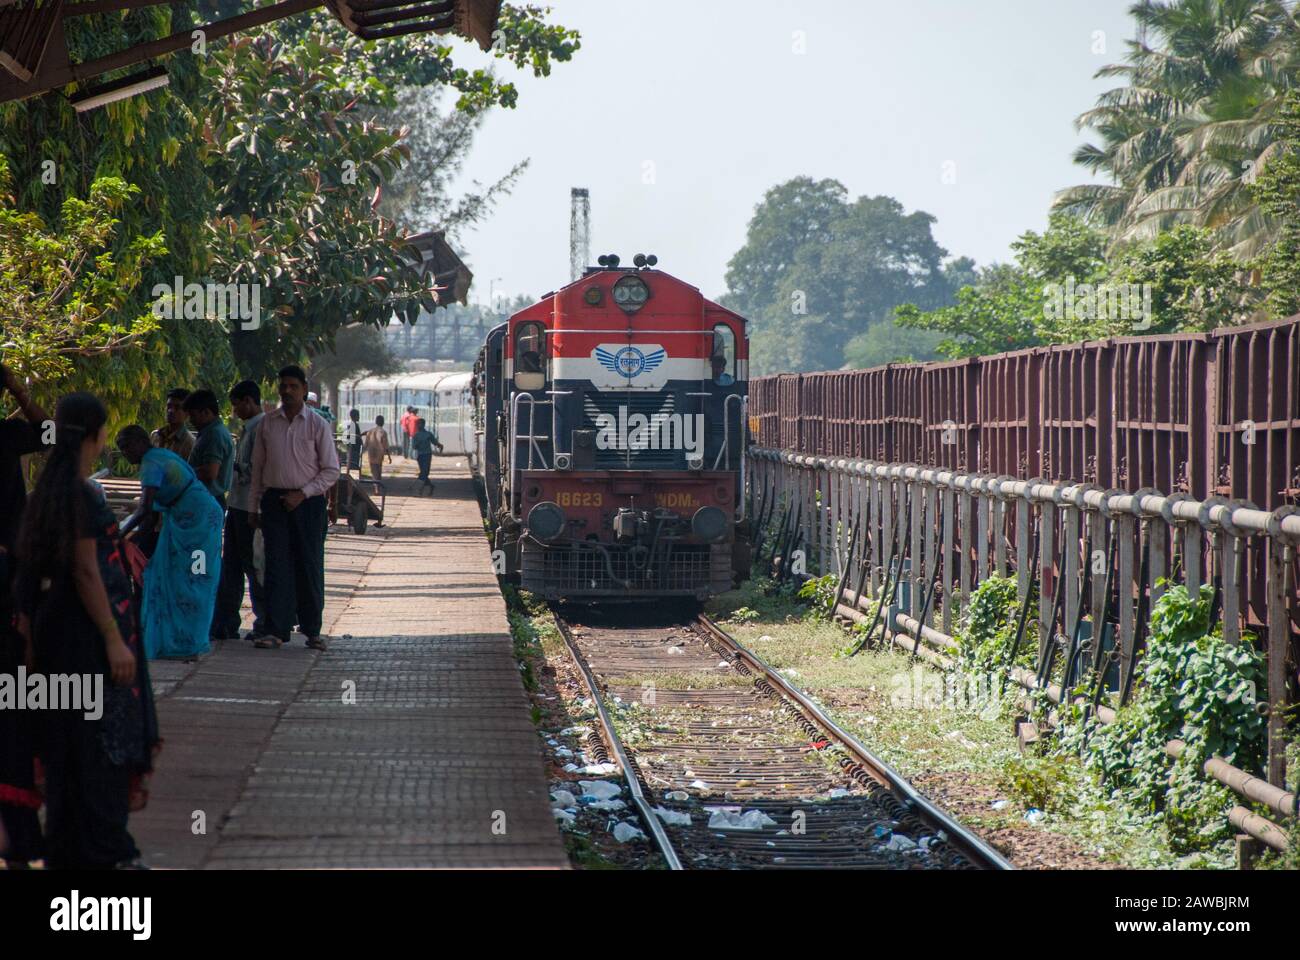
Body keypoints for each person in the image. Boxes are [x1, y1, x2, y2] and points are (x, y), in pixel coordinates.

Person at [15, 393, 159, 869]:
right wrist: (113, 639)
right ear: (96, 437)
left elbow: (31, 582)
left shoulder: (44, 496)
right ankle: (109, 851)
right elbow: (86, 571)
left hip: (53, 636)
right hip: (85, 637)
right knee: (100, 748)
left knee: (66, 748)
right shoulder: (78, 495)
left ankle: (69, 850)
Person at [249, 366, 340, 651]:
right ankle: (276, 630)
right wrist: (254, 507)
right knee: (276, 567)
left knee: (309, 564)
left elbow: (331, 470)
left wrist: (303, 494)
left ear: (303, 389)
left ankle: (312, 630)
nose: (286, 391)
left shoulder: (316, 425)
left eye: (292, 386)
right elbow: (258, 469)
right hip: (274, 502)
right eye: (283, 386)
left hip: (308, 505)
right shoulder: (268, 423)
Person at [117, 425, 223, 660]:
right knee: (173, 577)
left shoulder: (151, 464)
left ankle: (191, 641)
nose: (125, 453)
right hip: (188, 520)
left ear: (139, 443)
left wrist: (119, 534)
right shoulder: (160, 457)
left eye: (126, 447)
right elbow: (150, 518)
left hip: (198, 524)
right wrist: (128, 541)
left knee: (195, 578)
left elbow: (144, 509)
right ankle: (176, 638)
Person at [0, 364, 48, 866]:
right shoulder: (8, 434)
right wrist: (18, 386)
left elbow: (51, 434)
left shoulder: (7, 435)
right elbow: (53, 432)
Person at [211, 381, 267, 643]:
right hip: (236, 505)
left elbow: (258, 469)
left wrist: (234, 468)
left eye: (236, 405)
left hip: (249, 507)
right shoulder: (248, 430)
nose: (234, 412)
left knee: (253, 566)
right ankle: (228, 621)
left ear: (249, 401)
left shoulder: (261, 429)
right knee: (231, 566)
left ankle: (263, 619)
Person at [183, 389, 234, 508]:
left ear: (206, 412)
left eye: (193, 416)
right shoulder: (210, 432)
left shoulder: (214, 435)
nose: (191, 420)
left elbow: (210, 472)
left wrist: (182, 474)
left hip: (208, 500)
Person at [150, 387, 195, 460]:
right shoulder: (155, 436)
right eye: (169, 406)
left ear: (187, 413)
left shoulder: (190, 444)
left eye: (177, 407)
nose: (171, 411)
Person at [410, 417, 443, 494]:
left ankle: (420, 489)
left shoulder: (428, 434)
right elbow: (414, 447)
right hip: (420, 455)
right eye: (418, 424)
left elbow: (435, 442)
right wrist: (418, 443)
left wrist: (440, 446)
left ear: (423, 425)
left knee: (424, 472)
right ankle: (428, 487)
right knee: (424, 472)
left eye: (420, 424)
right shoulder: (416, 435)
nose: (419, 426)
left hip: (427, 455)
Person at [363, 415, 392, 484]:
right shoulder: (383, 432)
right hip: (379, 453)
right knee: (379, 469)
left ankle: (376, 486)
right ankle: (378, 484)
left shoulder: (370, 431)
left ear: (376, 422)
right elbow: (386, 445)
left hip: (371, 453)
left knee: (373, 470)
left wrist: (362, 453)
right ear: (383, 422)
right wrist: (389, 456)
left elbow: (366, 444)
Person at [343, 408, 363, 474]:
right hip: (354, 450)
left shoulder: (352, 425)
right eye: (358, 415)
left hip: (353, 449)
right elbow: (352, 438)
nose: (359, 417)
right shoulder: (353, 425)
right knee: (353, 466)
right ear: (355, 416)